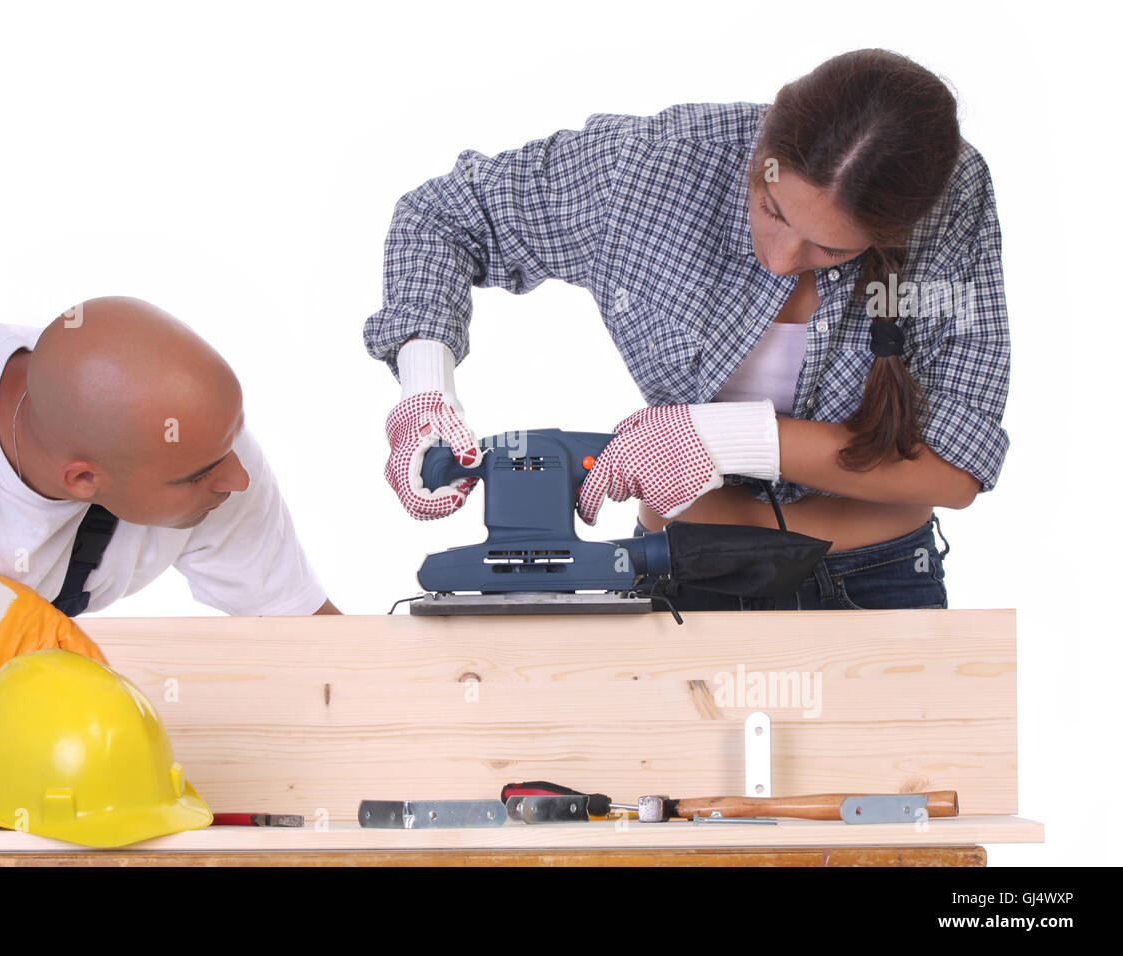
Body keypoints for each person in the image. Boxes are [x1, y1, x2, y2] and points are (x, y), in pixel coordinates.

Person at [365, 48, 1009, 612]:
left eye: (831, 250)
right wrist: (426, 389)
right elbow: (443, 217)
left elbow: (953, 468)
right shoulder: (652, 168)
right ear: (765, 148)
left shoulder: (949, 198)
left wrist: (718, 437)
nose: (781, 258)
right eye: (772, 210)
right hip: (682, 578)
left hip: (880, 581)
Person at [0, 296, 338, 865]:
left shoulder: (194, 446)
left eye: (232, 445)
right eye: (201, 475)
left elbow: (315, 641)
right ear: (83, 479)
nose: (238, 479)